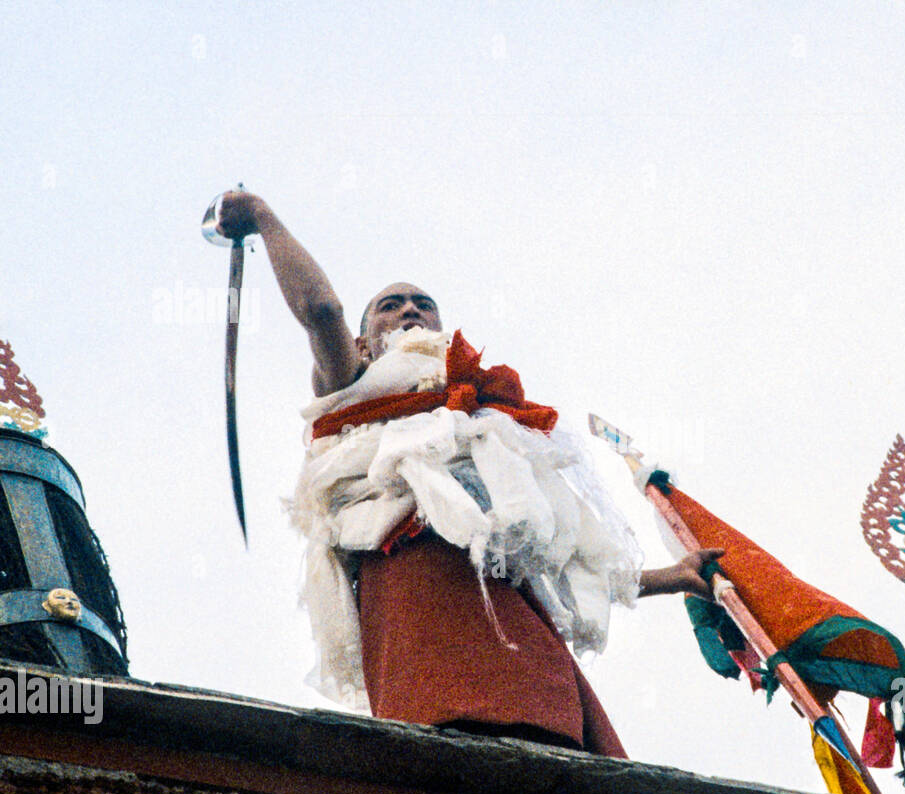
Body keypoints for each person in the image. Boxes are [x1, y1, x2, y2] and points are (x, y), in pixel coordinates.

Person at [216, 191, 719, 757]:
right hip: (414, 592)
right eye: (391, 305)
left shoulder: (485, 423)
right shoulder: (356, 383)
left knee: (558, 757)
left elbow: (560, 561)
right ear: (362, 342)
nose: (410, 310)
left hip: (513, 624)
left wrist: (676, 576)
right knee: (444, 753)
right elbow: (323, 311)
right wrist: (262, 216)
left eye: (422, 303)